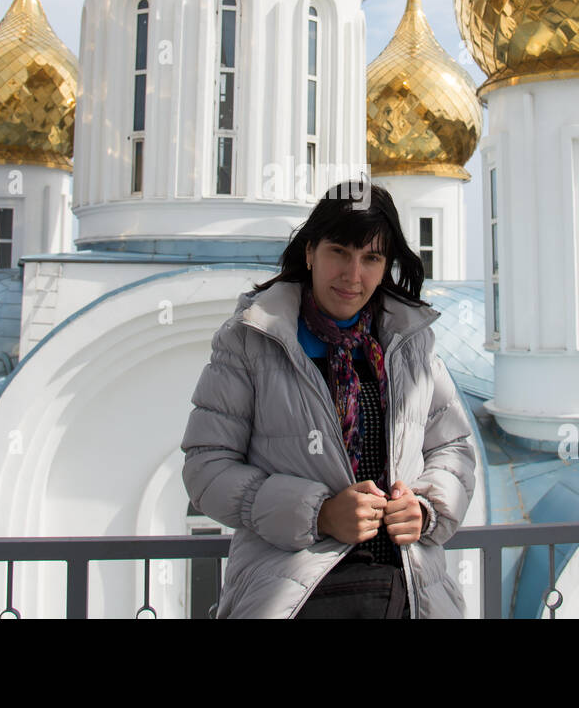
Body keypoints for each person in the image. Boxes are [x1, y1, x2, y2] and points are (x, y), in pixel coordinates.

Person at [180, 178, 476, 618]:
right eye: (339, 251)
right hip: (294, 596)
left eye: (370, 258)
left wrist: (427, 509)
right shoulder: (254, 339)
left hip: (406, 591)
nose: (352, 275)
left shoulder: (407, 343)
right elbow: (206, 469)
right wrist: (318, 514)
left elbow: (453, 448)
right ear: (310, 251)